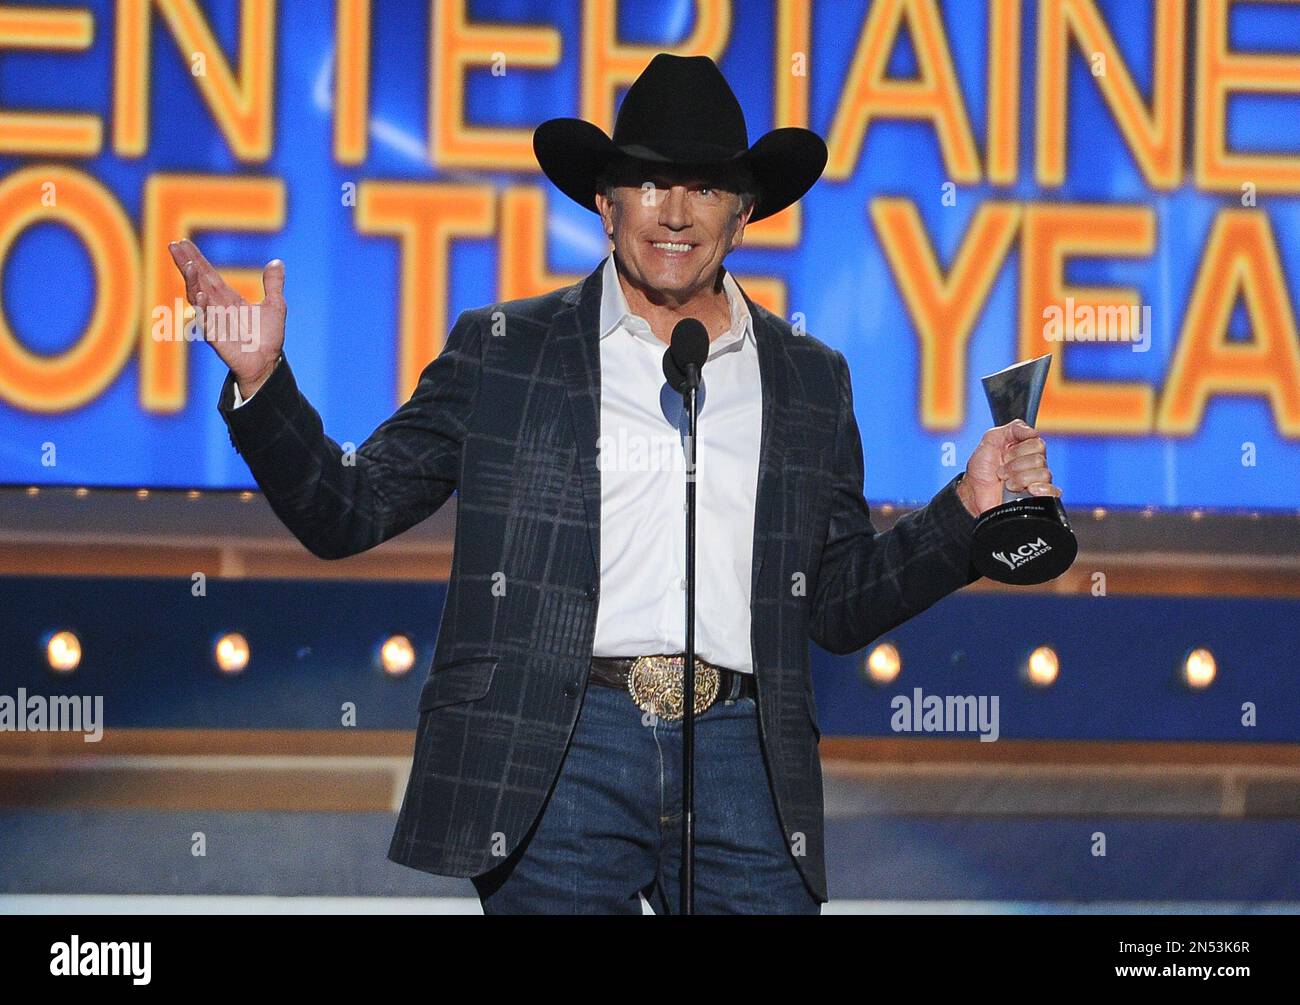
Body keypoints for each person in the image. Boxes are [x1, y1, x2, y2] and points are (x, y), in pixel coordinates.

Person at [167, 53, 1059, 915]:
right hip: (562, 751)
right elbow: (345, 509)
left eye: (706, 187)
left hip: (744, 752)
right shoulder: (504, 351)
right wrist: (263, 381)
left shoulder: (809, 376)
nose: (675, 212)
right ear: (605, 201)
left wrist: (966, 511)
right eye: (650, 184)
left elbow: (833, 602)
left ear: (743, 213)